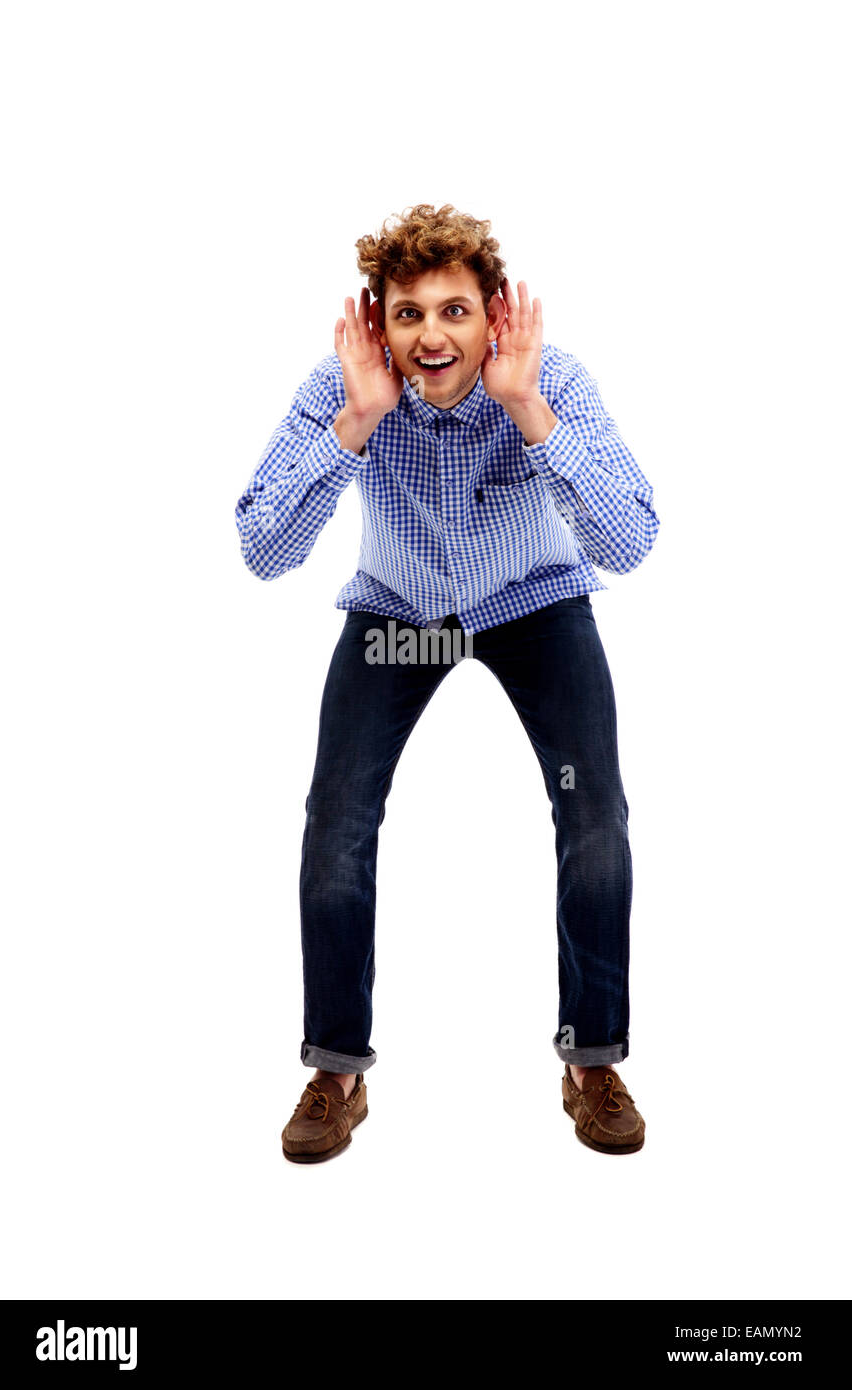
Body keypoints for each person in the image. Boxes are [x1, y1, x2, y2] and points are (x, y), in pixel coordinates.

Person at [234, 203, 660, 1161]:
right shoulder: (347, 387)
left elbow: (630, 541)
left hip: (533, 606)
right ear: (379, 323)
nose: (432, 336)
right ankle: (336, 1069)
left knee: (594, 814)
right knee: (338, 816)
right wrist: (353, 424)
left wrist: (528, 412)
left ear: (494, 313)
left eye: (455, 311)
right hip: (400, 617)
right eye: (409, 313)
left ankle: (592, 1058)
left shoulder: (551, 379)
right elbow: (263, 547)